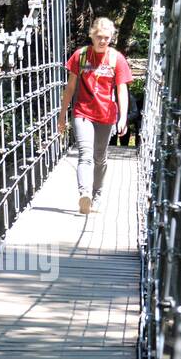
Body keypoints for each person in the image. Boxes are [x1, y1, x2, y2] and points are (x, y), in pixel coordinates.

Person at [57, 16, 133, 213]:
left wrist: (123, 117)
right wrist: (62, 115)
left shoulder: (117, 59)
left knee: (100, 158)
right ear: (92, 35)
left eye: (106, 38)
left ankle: (97, 195)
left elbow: (121, 89)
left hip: (106, 115)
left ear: (111, 38)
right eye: (99, 36)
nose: (102, 41)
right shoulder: (80, 56)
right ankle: (85, 194)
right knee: (85, 155)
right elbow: (70, 87)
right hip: (83, 113)